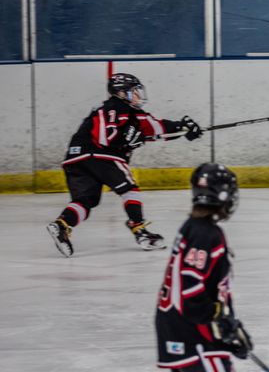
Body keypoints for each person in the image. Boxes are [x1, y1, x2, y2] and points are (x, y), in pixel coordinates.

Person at [114, 163, 254, 372]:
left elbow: (199, 289)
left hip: (176, 327)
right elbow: (191, 293)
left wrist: (228, 325)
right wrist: (220, 329)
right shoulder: (207, 234)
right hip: (191, 332)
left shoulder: (195, 228)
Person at [46, 72, 202, 257]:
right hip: (100, 155)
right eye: (133, 91)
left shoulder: (123, 112)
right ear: (121, 93)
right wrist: (127, 140)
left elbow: (155, 128)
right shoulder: (117, 108)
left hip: (75, 159)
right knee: (130, 189)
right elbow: (110, 137)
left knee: (85, 201)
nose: (137, 95)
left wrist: (182, 128)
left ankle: (62, 225)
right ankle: (139, 230)